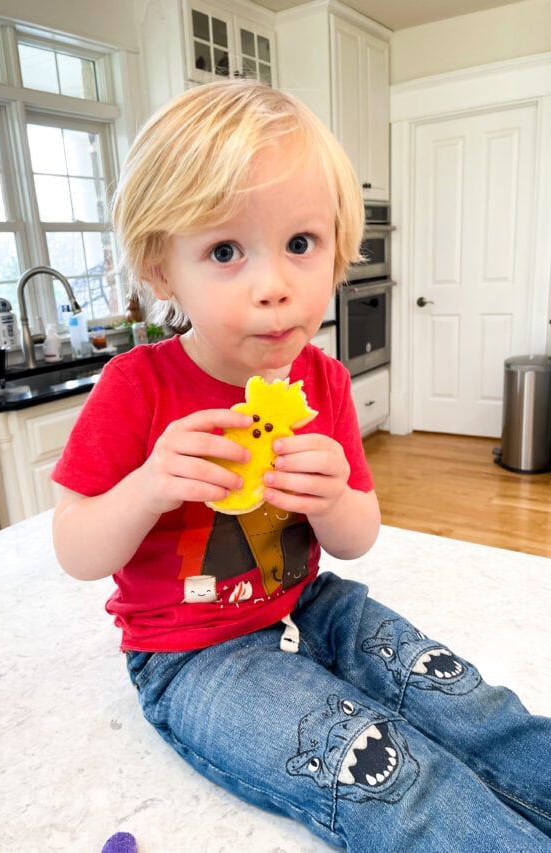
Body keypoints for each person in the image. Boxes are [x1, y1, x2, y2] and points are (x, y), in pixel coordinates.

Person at [52, 81, 551, 852]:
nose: (275, 285)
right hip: (192, 655)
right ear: (161, 268)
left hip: (310, 602)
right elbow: (75, 549)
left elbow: (358, 536)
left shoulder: (322, 382)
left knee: (460, 698)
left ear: (337, 251)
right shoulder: (137, 386)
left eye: (300, 244)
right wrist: (149, 483)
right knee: (387, 770)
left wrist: (331, 497)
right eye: (225, 251)